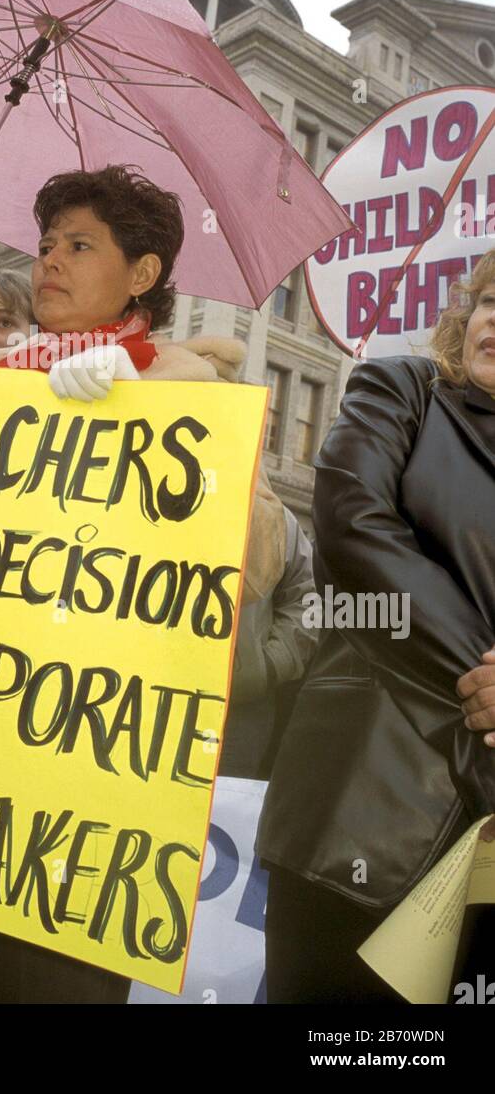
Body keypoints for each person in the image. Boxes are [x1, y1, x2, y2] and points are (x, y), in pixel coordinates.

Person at [0, 164, 286, 1004]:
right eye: (44, 244)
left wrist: (134, 415)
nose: (49, 261)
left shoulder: (193, 387)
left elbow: (251, 567)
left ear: (142, 274)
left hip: (80, 790)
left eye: (79, 245)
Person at [256, 250, 495, 1004]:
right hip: (363, 812)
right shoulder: (401, 388)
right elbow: (355, 527)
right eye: (493, 301)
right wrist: (483, 682)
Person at [219, 505, 318, 782]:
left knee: (222, 814)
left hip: (242, 710)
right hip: (137, 696)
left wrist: (270, 665)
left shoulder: (273, 516)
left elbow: (307, 598)